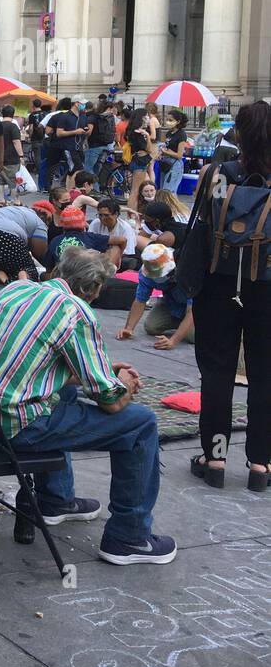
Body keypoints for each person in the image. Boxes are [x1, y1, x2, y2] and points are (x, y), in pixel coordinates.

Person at [0, 246, 176, 565]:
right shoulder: (76, 311)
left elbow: (36, 367)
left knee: (61, 392)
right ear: (93, 289)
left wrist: (100, 373)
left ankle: (56, 500)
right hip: (14, 426)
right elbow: (113, 404)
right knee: (141, 423)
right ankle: (128, 537)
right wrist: (124, 385)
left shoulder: (18, 289)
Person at [189, 100, 271, 492]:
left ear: (238, 133)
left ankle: (216, 457)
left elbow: (203, 225)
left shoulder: (219, 174)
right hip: (268, 287)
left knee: (218, 373)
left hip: (219, 283)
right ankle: (260, 462)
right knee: (265, 375)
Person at [117, 243, 193, 349]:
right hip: (171, 303)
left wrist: (173, 341)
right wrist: (129, 328)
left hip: (197, 308)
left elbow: (192, 312)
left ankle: (189, 327)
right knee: (151, 327)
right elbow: (140, 301)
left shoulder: (189, 273)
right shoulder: (147, 271)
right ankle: (182, 324)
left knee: (192, 336)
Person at [44, 205, 112, 270]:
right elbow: (121, 240)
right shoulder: (91, 237)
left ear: (62, 225)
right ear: (83, 223)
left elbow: (48, 268)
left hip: (62, 278)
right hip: (86, 277)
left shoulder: (55, 240)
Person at [46, 98, 90, 189]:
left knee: (75, 169)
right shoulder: (64, 116)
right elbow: (59, 133)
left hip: (79, 146)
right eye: (83, 104)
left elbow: (85, 130)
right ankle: (72, 190)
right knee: (76, 169)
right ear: (77, 104)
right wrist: (75, 132)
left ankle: (69, 190)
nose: (84, 106)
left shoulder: (83, 117)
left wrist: (85, 132)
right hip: (68, 147)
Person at [88, 197, 135, 269]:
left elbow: (127, 252)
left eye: (106, 215)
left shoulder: (125, 228)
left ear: (116, 214)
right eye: (100, 215)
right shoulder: (95, 224)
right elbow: (89, 244)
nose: (103, 218)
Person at [124, 109, 154, 214]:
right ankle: (131, 214)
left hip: (134, 160)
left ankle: (134, 213)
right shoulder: (139, 132)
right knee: (135, 191)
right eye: (146, 116)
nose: (148, 119)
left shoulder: (131, 131)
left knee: (138, 189)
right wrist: (148, 137)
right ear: (141, 118)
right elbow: (149, 149)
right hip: (139, 163)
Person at [0, 105, 24, 204]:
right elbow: (16, 142)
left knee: (1, 179)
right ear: (13, 114)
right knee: (14, 180)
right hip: (12, 157)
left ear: (2, 114)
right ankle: (16, 200)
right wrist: (21, 155)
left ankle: (1, 199)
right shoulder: (13, 126)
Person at [84, 99, 117, 188]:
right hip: (105, 146)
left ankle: (96, 189)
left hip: (94, 146)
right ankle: (94, 189)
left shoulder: (93, 117)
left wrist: (81, 132)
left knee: (87, 169)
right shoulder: (110, 117)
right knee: (95, 169)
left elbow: (89, 132)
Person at [158, 109, 190, 194]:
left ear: (178, 121)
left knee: (169, 192)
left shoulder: (181, 134)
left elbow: (179, 155)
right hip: (165, 163)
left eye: (171, 120)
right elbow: (167, 146)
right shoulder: (169, 133)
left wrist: (167, 152)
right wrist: (162, 152)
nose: (168, 122)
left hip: (174, 165)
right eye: (167, 119)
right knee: (163, 190)